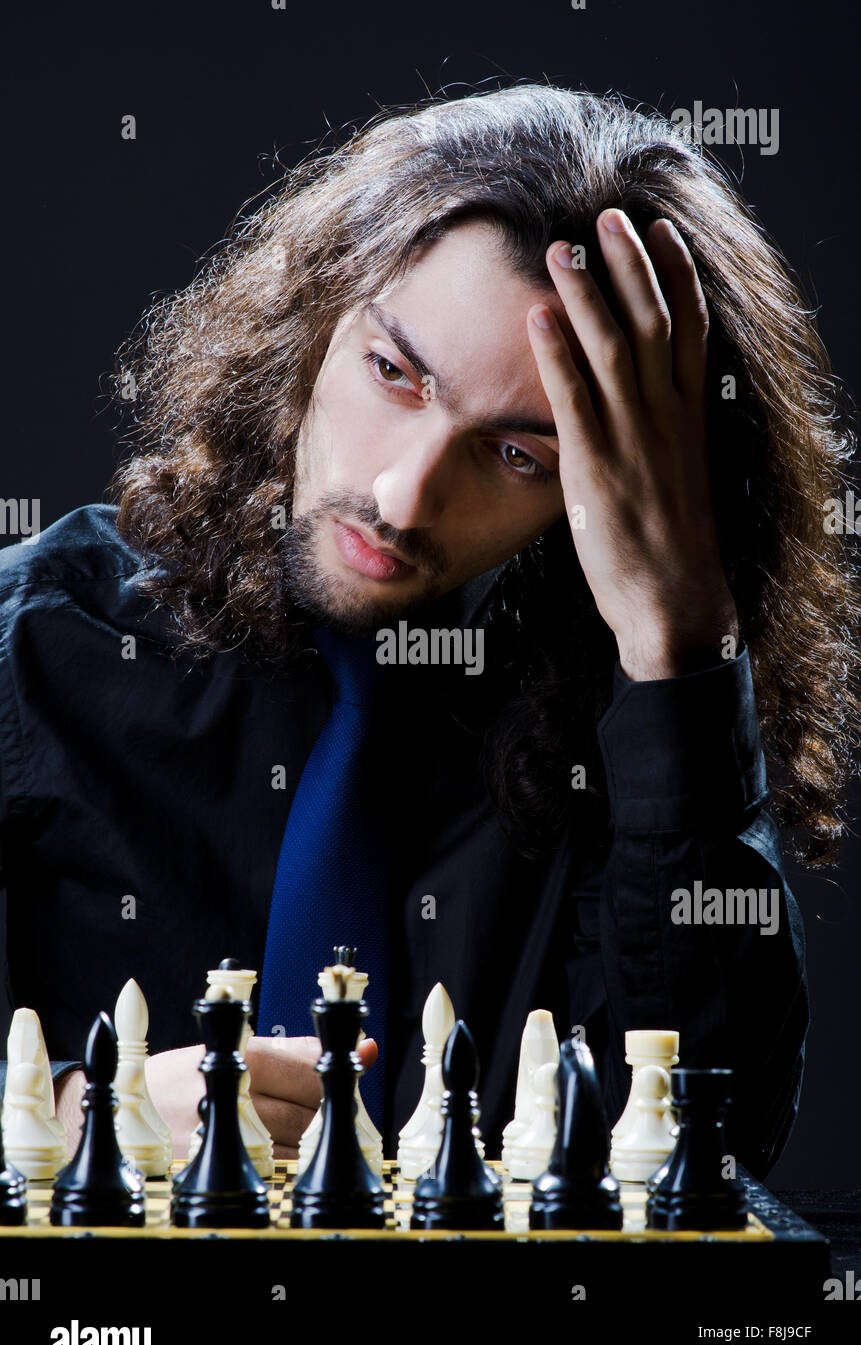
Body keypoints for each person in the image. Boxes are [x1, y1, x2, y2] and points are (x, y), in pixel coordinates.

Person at [0, 84, 857, 1173]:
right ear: (317, 313)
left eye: (517, 455)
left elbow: (708, 1147)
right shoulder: (30, 650)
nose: (404, 497)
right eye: (394, 373)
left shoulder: (625, 732)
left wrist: (678, 644)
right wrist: (68, 1120)